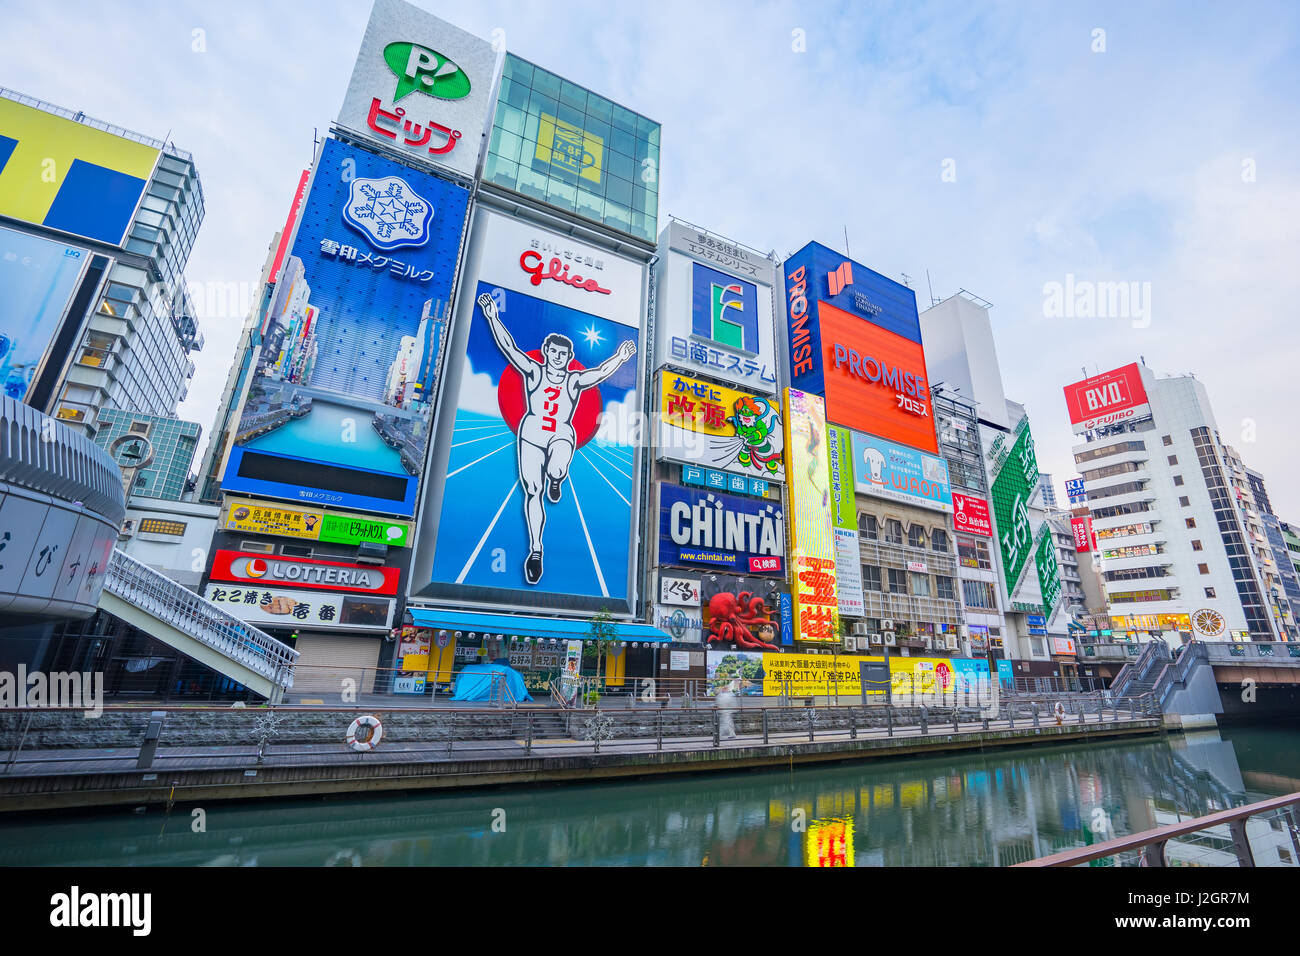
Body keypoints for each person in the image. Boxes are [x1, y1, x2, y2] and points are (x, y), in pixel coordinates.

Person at [477, 292, 636, 584]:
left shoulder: (574, 380)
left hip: (561, 432)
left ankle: (556, 478)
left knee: (557, 467)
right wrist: (492, 317)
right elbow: (509, 348)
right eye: (553, 352)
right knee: (532, 492)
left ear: (568, 358)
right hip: (532, 433)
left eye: (563, 354)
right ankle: (536, 550)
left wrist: (621, 358)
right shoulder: (533, 373)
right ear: (546, 352)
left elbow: (600, 373)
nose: (558, 358)